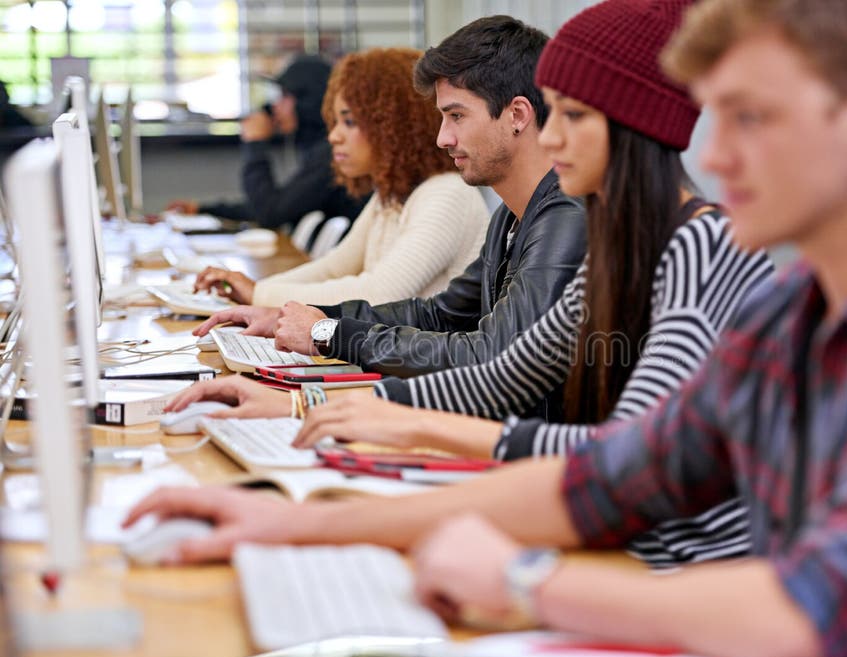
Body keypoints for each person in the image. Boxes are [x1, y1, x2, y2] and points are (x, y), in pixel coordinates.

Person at [129, 0, 847, 657]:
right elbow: (610, 476)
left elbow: (820, 609)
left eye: (751, 118)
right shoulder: (792, 315)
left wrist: (523, 581)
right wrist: (284, 526)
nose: (716, 154)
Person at [154, 0, 772, 572]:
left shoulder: (698, 244)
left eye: (574, 116)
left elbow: (620, 465)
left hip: (675, 567)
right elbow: (501, 378)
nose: (550, 139)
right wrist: (311, 407)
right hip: (619, 543)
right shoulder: (619, 245)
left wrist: (404, 428)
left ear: (636, 128)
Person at [191, 16, 589, 420]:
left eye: (456, 116)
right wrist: (309, 317)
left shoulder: (565, 216)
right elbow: (438, 314)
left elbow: (493, 356)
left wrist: (328, 335)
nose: (443, 138)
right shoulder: (510, 216)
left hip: (530, 457)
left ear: (518, 115)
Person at [192, 48, 490, 308]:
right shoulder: (393, 194)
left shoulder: (446, 194)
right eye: (335, 123)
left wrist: (259, 294)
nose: (334, 136)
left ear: (393, 124)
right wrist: (252, 292)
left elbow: (378, 293)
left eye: (349, 122)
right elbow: (335, 269)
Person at [167, 55, 368, 236]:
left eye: (284, 96)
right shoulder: (317, 148)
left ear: (307, 100)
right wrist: (204, 209)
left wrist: (255, 144)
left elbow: (270, 213)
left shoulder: (332, 154)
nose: (276, 106)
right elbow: (278, 204)